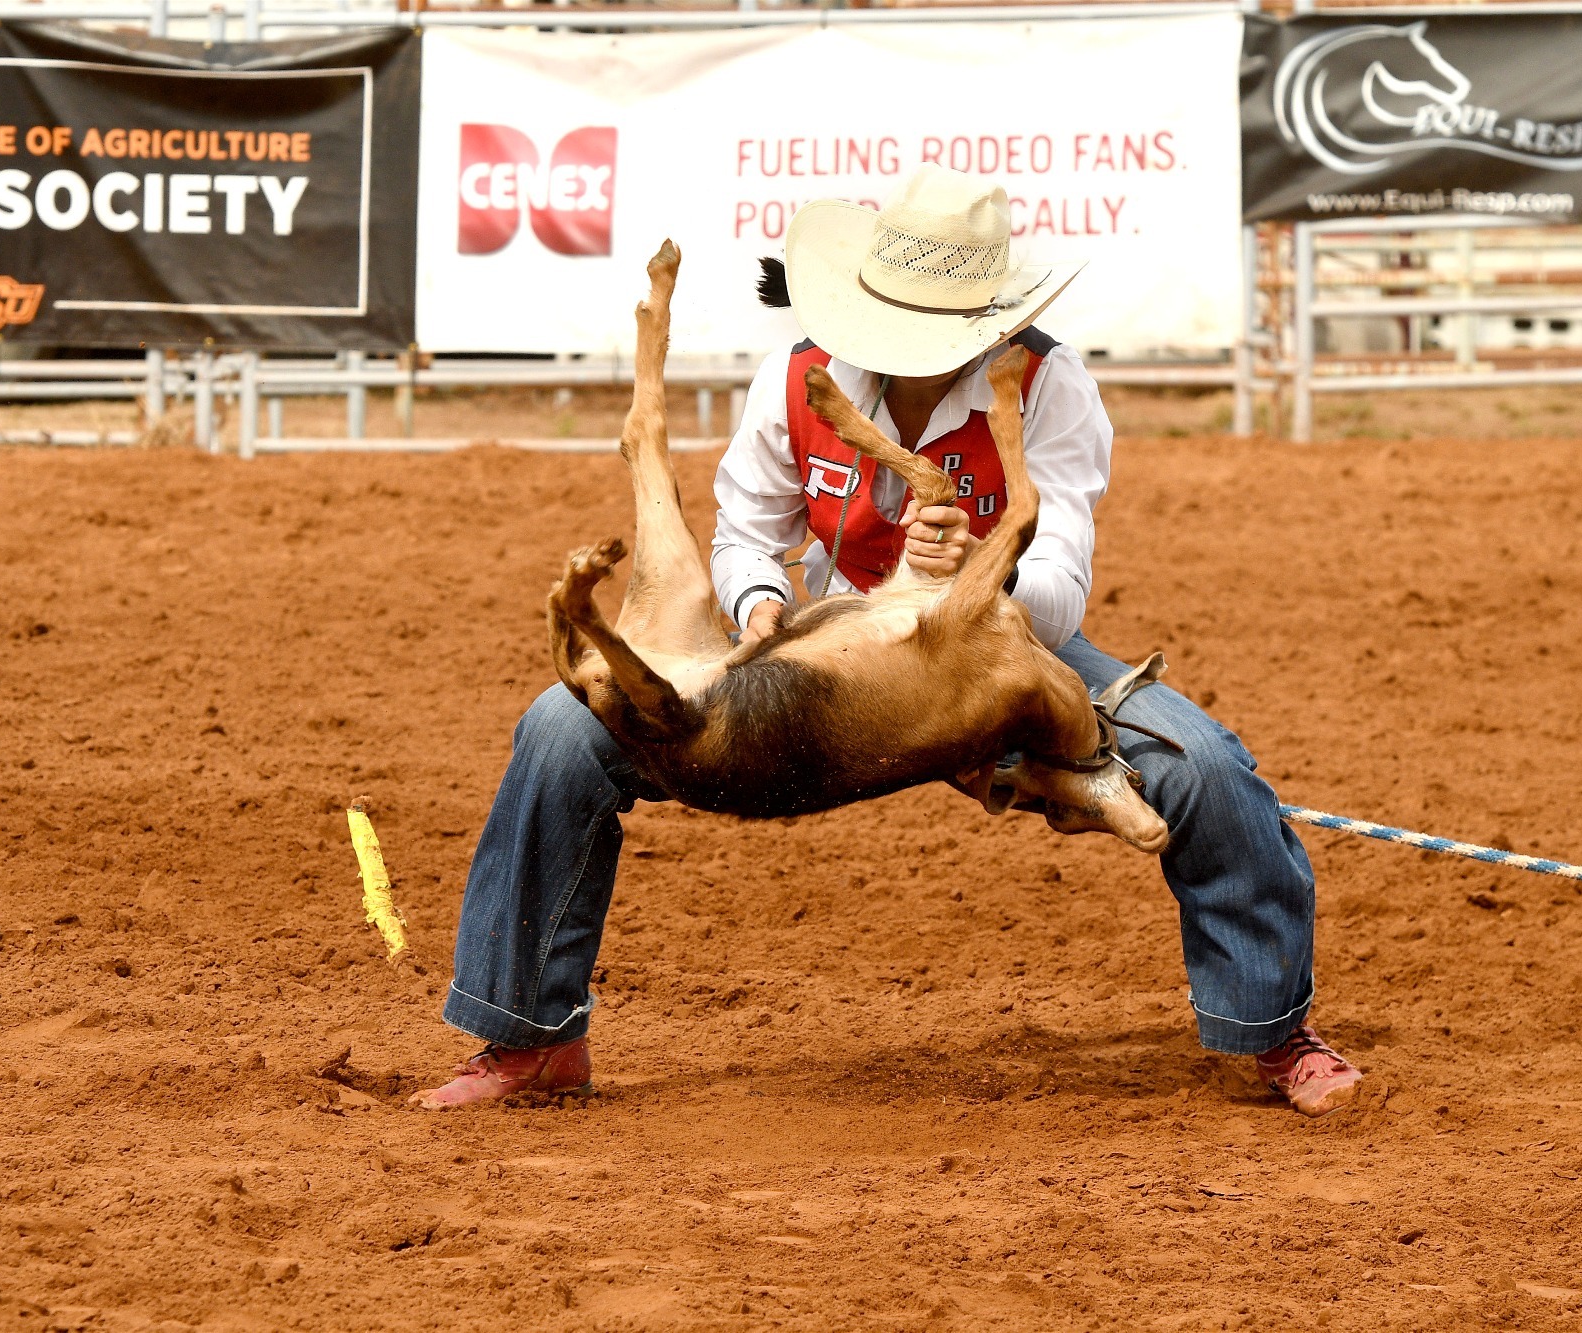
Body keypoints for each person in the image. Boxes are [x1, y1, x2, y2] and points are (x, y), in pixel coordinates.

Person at [412, 166, 1362, 1117]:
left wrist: (978, 570)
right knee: (558, 730)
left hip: (990, 640)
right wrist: (754, 605)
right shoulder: (798, 377)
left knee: (1202, 766)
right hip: (822, 654)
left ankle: (1272, 1027)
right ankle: (530, 1037)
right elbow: (746, 532)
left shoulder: (1047, 384)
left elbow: (1061, 594)